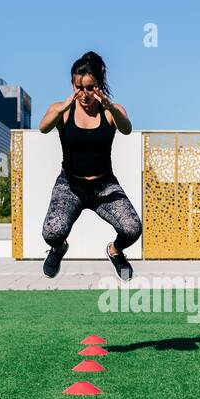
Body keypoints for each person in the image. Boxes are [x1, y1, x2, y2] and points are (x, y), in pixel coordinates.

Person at [37, 51, 142, 280]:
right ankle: (58, 249)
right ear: (73, 85)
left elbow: (126, 128)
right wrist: (62, 109)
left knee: (133, 229)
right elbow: (43, 127)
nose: (85, 94)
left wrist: (110, 107)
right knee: (52, 233)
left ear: (99, 85)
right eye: (79, 87)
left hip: (104, 185)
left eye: (90, 87)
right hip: (70, 185)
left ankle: (115, 252)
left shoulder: (112, 111)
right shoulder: (62, 110)